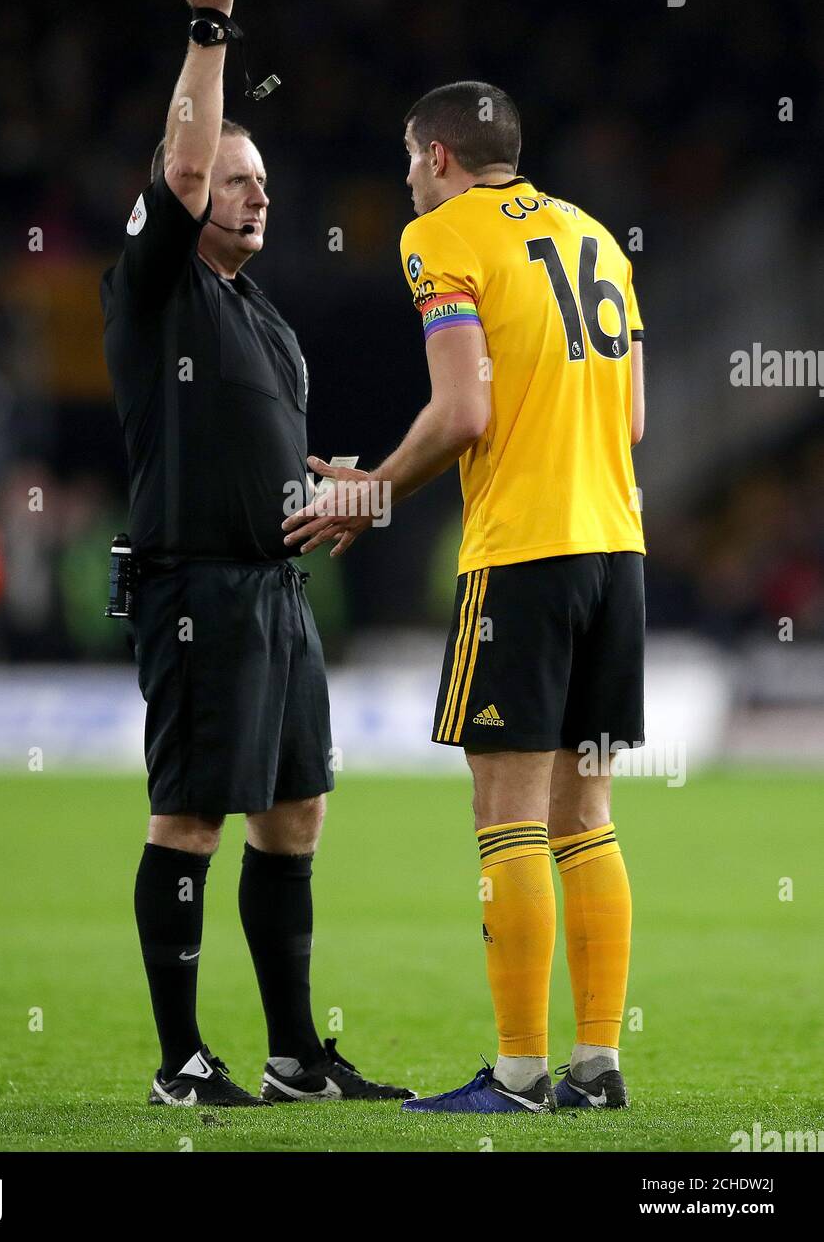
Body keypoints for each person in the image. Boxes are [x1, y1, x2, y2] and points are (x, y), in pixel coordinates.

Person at [283, 80, 645, 1115]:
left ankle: (521, 1075)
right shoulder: (594, 239)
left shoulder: (440, 236)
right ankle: (595, 1065)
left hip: (523, 555)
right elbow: (633, 419)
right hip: (614, 549)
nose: (404, 178)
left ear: (440, 157)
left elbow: (461, 407)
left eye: (407, 158)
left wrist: (369, 490)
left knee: (507, 817)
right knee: (588, 814)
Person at [101, 0, 410, 1108]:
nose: (256, 192)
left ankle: (292, 1057)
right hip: (196, 592)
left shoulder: (265, 319)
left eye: (265, 181)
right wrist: (209, 28)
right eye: (239, 180)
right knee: (188, 821)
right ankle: (180, 1061)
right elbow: (182, 168)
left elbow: (286, 462)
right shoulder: (159, 284)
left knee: (294, 817)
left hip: (278, 597)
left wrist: (358, 489)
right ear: (184, 193)